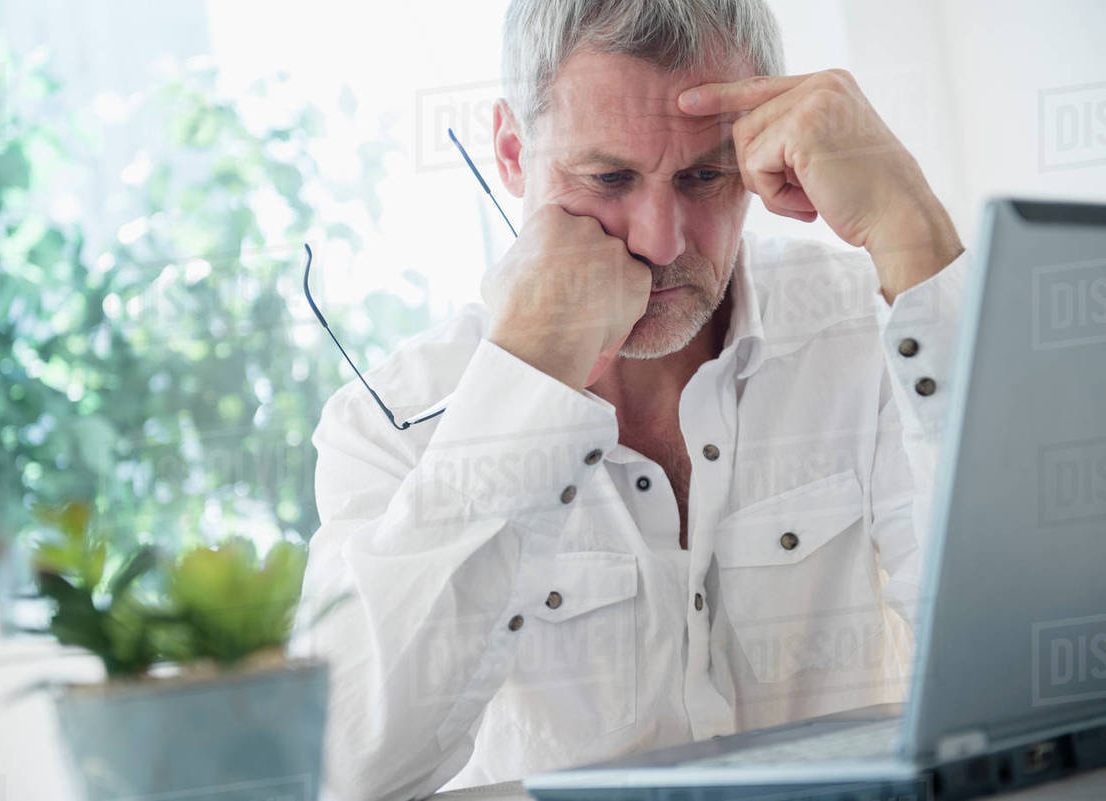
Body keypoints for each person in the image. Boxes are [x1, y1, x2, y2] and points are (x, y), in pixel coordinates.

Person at [292, 1, 967, 798]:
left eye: (704, 176)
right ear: (512, 153)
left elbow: (1021, 667)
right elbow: (341, 772)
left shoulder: (867, 331)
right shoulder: (387, 425)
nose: (660, 240)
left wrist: (914, 232)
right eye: (609, 178)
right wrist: (532, 370)